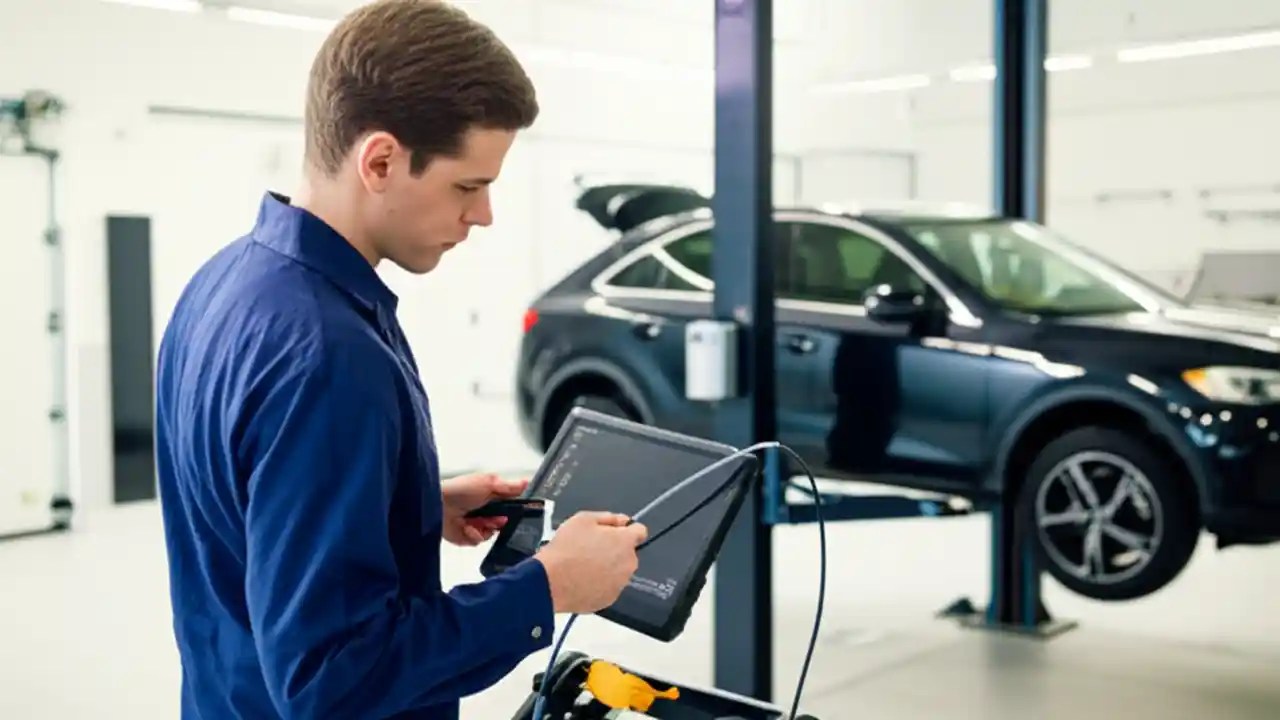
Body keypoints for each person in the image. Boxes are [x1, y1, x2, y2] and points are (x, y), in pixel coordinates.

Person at [153, 1, 648, 718]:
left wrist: (406, 504)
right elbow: (334, 679)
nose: (482, 217)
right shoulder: (329, 354)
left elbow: (246, 513)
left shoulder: (226, 281)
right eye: (468, 186)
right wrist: (547, 588)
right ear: (380, 160)